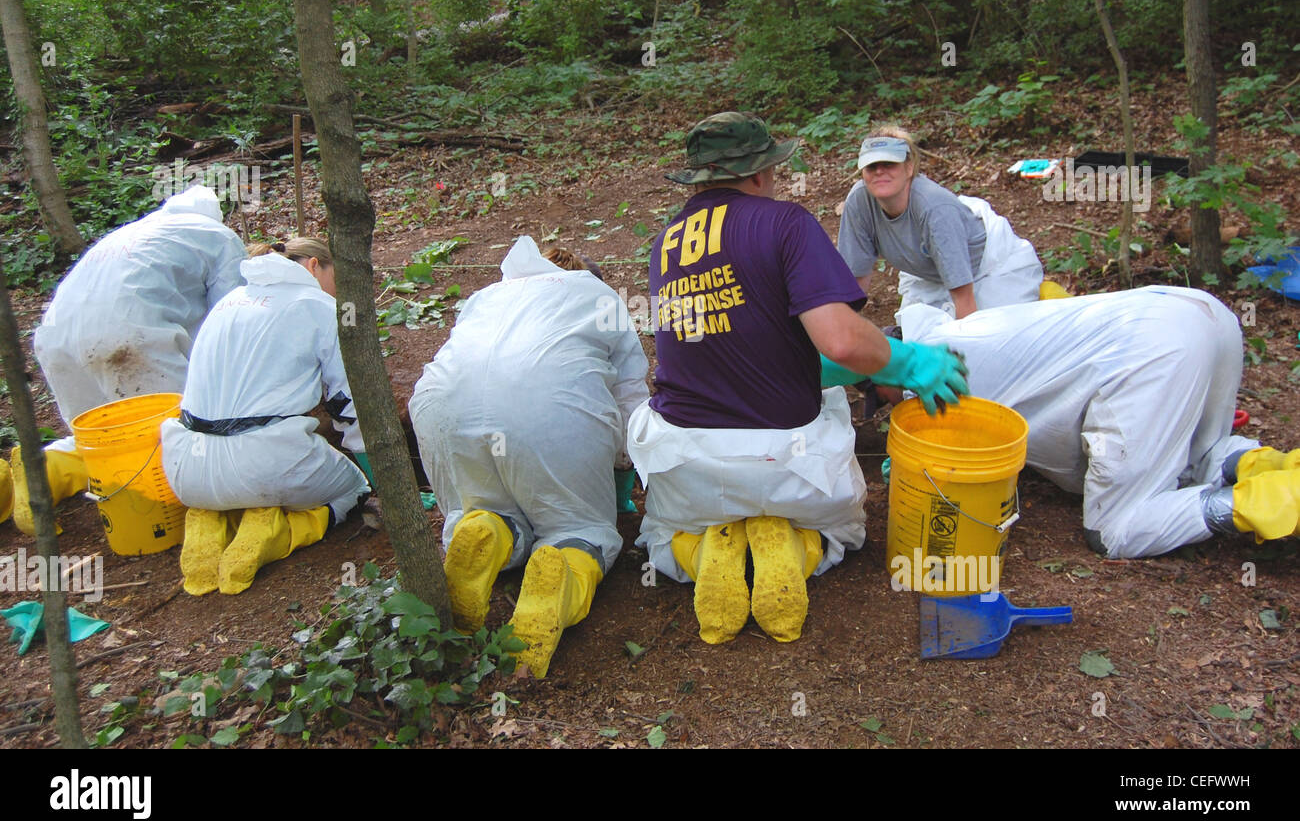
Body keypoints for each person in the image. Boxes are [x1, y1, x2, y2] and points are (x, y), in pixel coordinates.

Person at [628, 112, 969, 646]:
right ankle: (791, 548)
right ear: (762, 173)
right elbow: (840, 341)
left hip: (685, 464)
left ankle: (707, 553)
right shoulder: (784, 223)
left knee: (668, 538)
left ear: (696, 180)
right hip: (789, 467)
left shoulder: (666, 241)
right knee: (842, 530)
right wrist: (908, 362)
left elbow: (739, 345)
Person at [891, 286, 1300, 558]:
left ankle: (1271, 500)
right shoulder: (968, 329)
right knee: (1195, 454)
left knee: (1114, 529)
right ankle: (1265, 465)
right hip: (1203, 313)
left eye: (875, 396)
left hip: (1154, 352)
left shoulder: (932, 369)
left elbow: (947, 454)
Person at [408, 237, 649, 678]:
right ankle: (561, 563)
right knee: (577, 528)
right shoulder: (598, 295)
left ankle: (486, 529)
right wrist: (621, 469)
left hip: (440, 413)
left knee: (486, 505)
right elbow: (630, 399)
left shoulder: (484, 299)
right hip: (548, 414)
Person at [3, 185, 245, 535]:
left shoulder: (127, 234)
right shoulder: (218, 237)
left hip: (56, 339)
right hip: (128, 334)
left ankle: (45, 467)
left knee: (105, 440)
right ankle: (197, 517)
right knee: (178, 431)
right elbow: (231, 318)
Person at [160, 239, 370, 596]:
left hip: (186, 469)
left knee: (237, 478)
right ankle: (279, 532)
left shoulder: (228, 302)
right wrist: (370, 467)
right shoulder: (318, 306)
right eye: (335, 278)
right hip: (265, 466)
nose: (337, 290)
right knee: (354, 488)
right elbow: (347, 400)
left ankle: (211, 521)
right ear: (314, 266)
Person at [837, 127, 1047, 319]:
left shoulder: (935, 209)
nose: (879, 171)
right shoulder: (859, 201)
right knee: (919, 338)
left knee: (995, 337)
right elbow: (856, 282)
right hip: (928, 274)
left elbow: (964, 298)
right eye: (871, 166)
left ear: (909, 168)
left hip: (988, 268)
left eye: (889, 164)